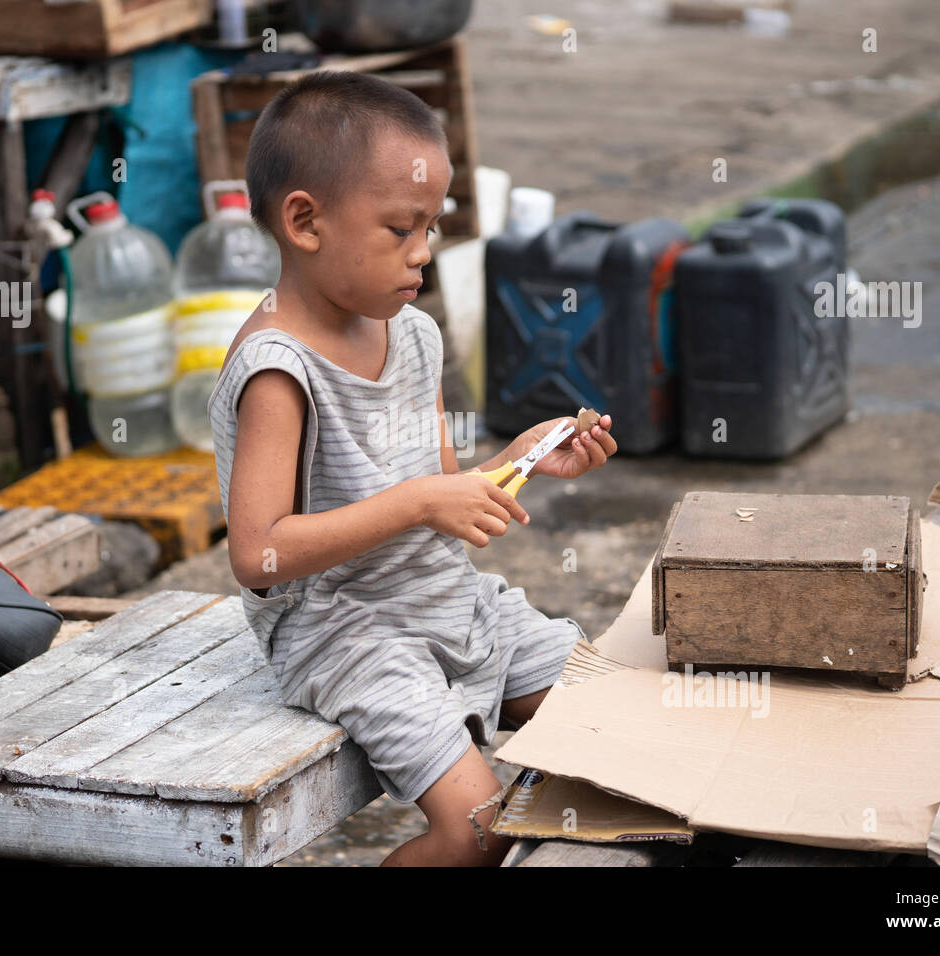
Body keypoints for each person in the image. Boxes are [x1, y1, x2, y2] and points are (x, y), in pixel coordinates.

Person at [207, 70, 616, 866]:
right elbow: (256, 554)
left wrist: (519, 460)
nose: (423, 253)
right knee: (477, 828)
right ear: (305, 221)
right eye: (401, 228)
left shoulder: (415, 334)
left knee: (613, 712)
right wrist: (423, 501)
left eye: (431, 227)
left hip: (448, 600)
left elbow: (435, 490)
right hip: (342, 629)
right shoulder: (276, 369)